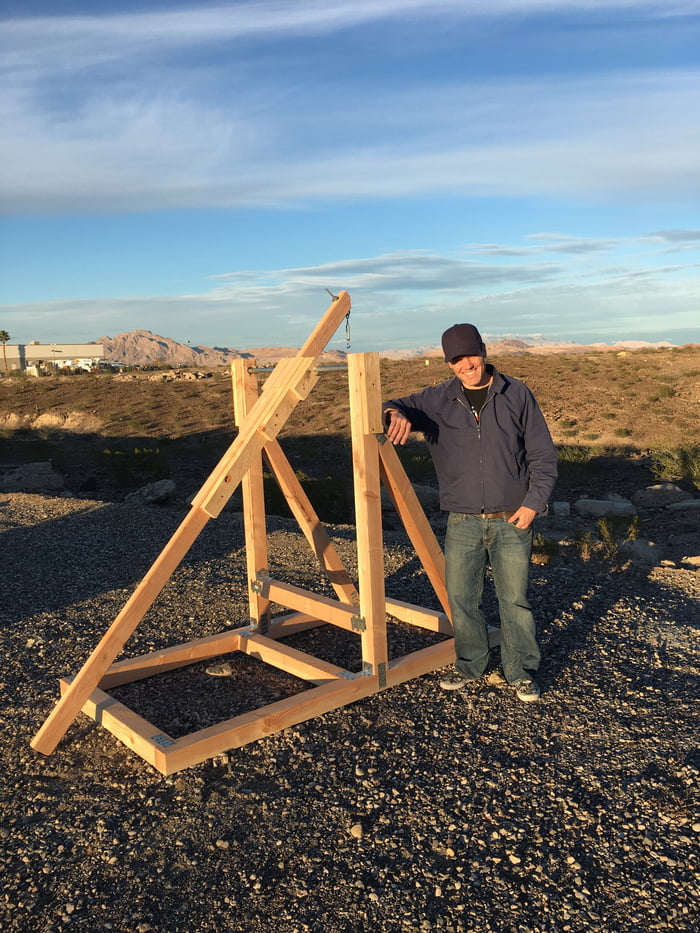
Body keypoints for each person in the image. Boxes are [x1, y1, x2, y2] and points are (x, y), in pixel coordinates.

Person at [383, 323, 557, 702]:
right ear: (448, 363)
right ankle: (471, 664)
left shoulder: (517, 394)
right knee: (462, 598)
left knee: (514, 600)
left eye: (470, 355)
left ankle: (521, 671)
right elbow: (395, 404)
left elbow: (543, 456)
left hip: (512, 517)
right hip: (462, 519)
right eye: (456, 359)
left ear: (483, 350)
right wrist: (393, 414)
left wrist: (533, 505)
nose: (466, 365)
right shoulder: (437, 399)